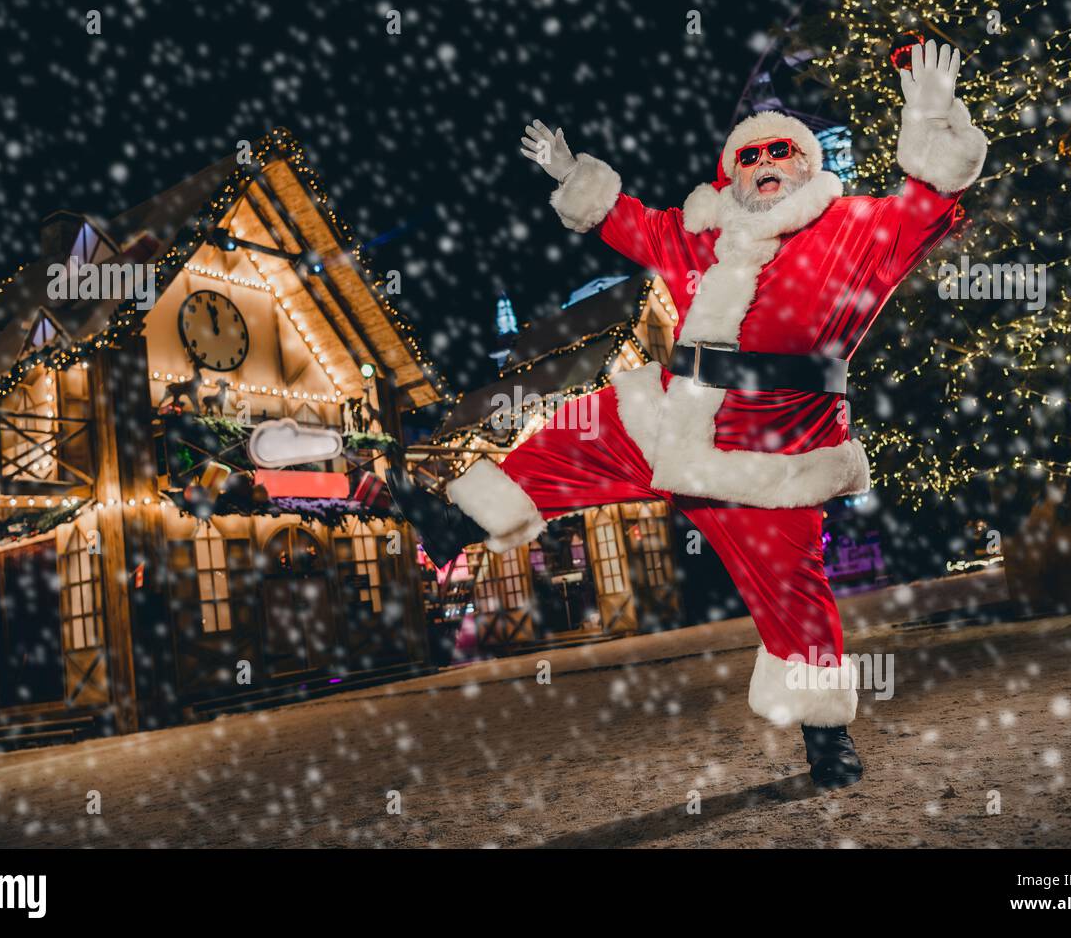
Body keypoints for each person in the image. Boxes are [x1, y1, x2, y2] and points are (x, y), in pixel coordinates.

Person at [387, 40, 987, 789]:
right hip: (681, 421)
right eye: (749, 154)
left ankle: (826, 739)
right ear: (729, 172)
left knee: (796, 599)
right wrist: (576, 176)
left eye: (781, 150)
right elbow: (629, 221)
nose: (765, 161)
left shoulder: (857, 228)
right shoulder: (699, 234)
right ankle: (456, 522)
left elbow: (926, 201)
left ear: (805, 164)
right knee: (588, 425)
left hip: (775, 455)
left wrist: (929, 117)